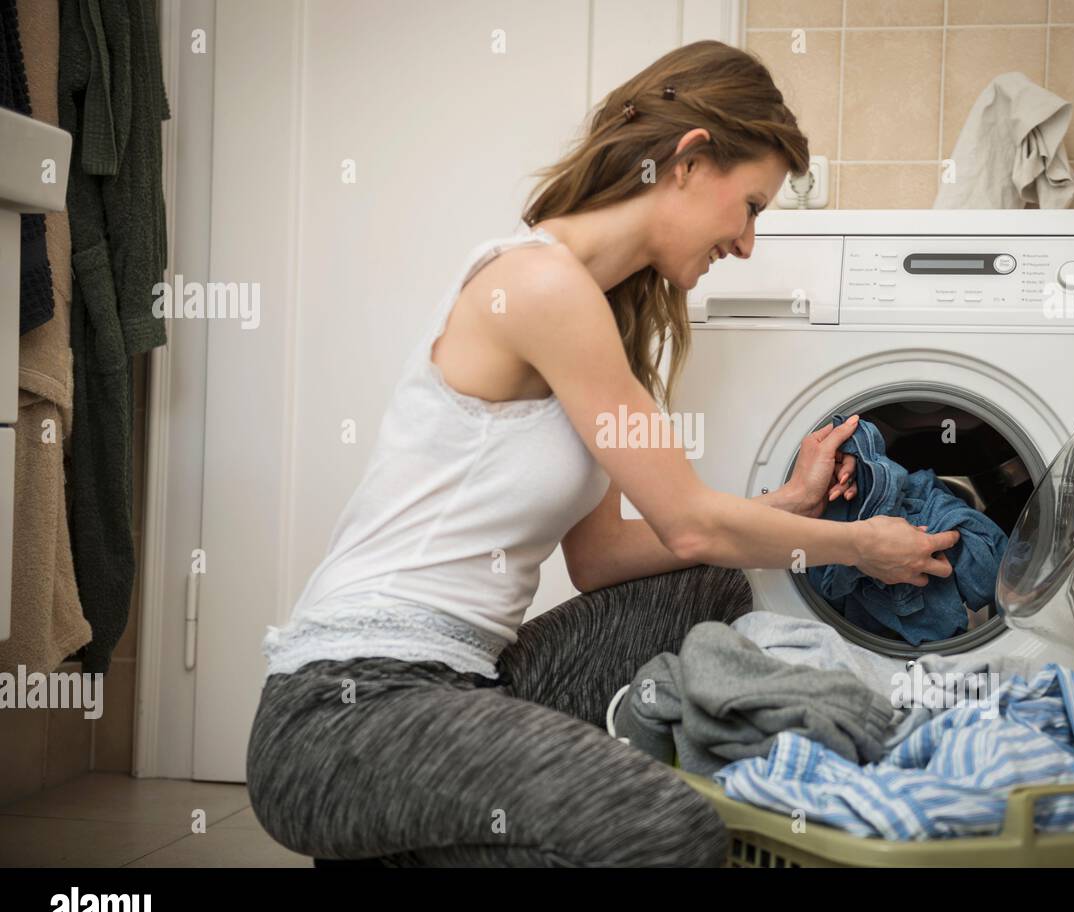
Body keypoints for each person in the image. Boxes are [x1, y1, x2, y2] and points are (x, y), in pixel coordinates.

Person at [245, 39, 959, 868]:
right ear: (691, 161)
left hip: (465, 681)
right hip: (345, 707)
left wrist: (790, 509)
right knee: (672, 830)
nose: (749, 241)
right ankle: (404, 823)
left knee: (711, 587)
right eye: (753, 206)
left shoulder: (598, 317)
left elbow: (603, 556)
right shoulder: (542, 288)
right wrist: (863, 546)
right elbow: (691, 522)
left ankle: (411, 837)